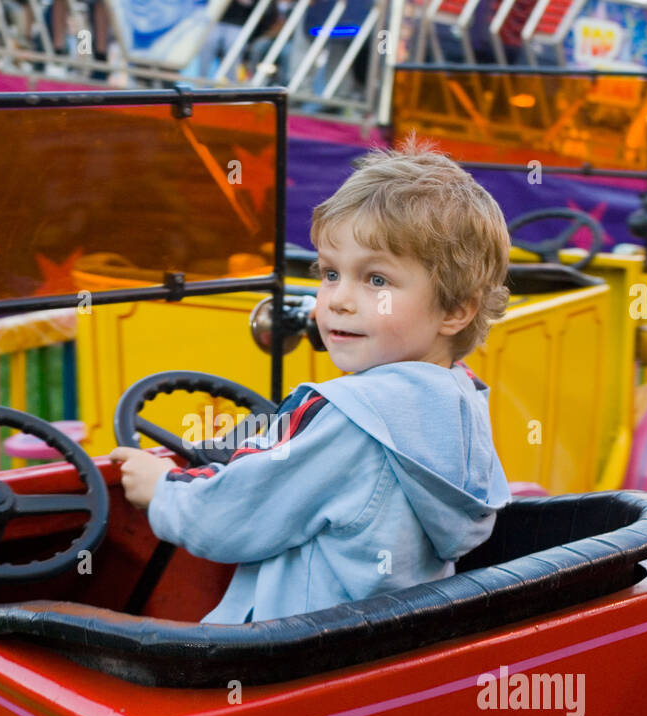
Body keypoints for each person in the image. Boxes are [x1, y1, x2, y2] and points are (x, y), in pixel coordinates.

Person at [108, 137, 512, 624]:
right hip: (377, 649)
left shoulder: (351, 418)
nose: (339, 300)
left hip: (285, 657)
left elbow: (230, 518)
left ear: (455, 309)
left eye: (376, 280)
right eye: (330, 273)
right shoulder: (460, 400)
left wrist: (164, 488)